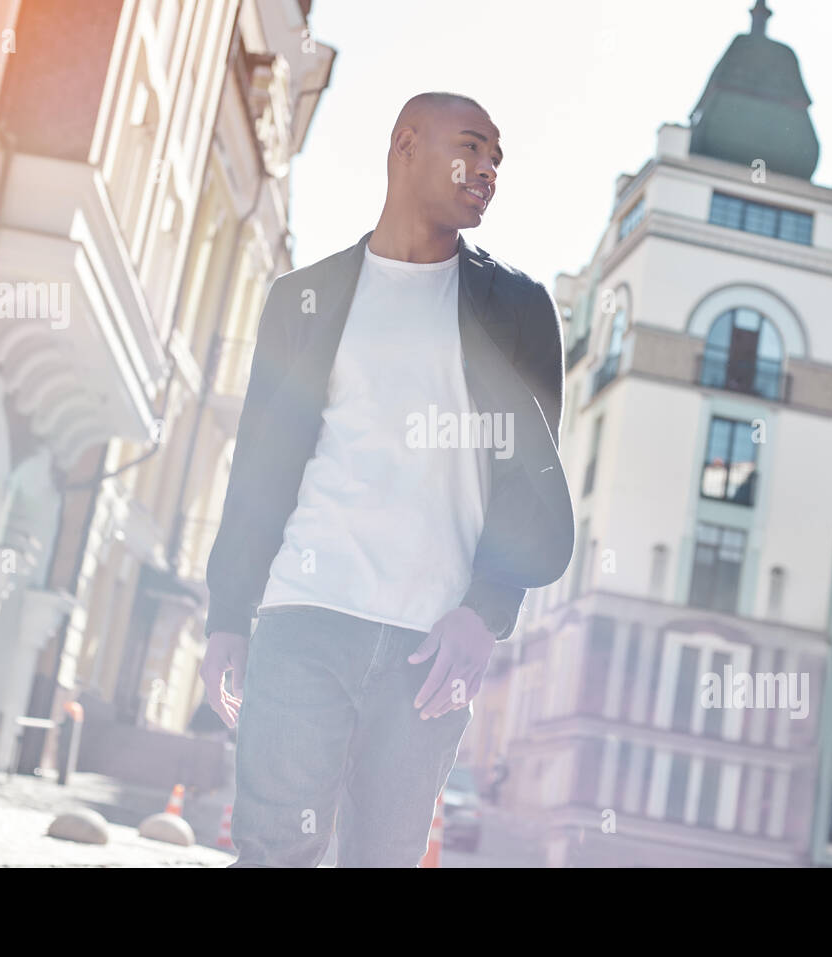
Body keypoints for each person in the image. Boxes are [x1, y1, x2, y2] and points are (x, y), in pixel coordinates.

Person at [198, 92, 574, 867]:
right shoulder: (304, 299)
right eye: (475, 148)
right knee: (273, 853)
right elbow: (259, 470)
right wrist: (228, 614)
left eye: (500, 159)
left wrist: (485, 614)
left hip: (431, 648)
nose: (491, 171)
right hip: (306, 616)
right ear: (406, 144)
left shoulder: (520, 310)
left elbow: (529, 489)